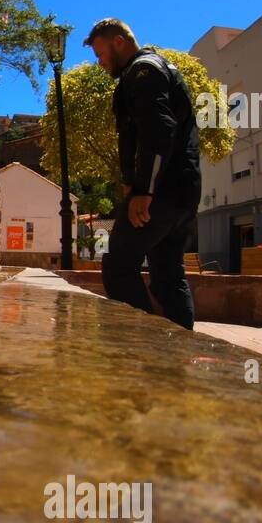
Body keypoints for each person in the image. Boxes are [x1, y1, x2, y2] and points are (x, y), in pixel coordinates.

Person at [84, 18, 202, 330]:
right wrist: (130, 183)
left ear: (119, 42)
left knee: (118, 264)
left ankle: (145, 347)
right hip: (184, 191)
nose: (100, 63)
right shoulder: (159, 67)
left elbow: (159, 130)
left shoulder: (142, 71)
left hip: (161, 190)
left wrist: (144, 190)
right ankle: (177, 359)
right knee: (167, 275)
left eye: (100, 54)